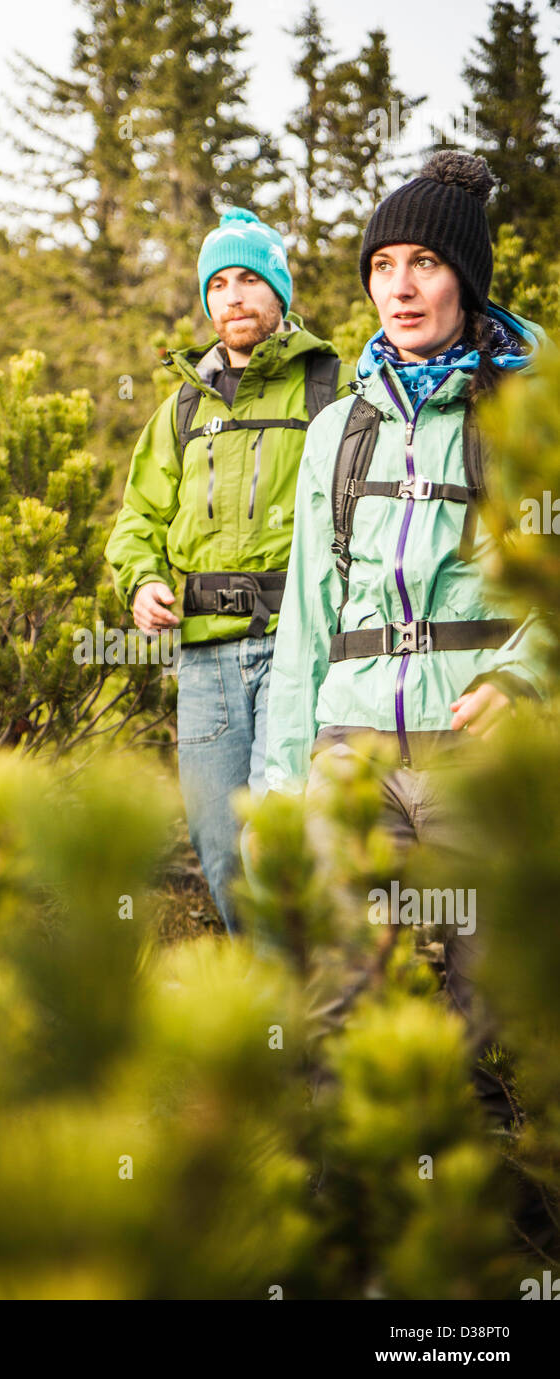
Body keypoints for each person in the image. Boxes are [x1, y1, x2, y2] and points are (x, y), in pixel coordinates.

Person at [255, 150, 552, 1119]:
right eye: (382, 266)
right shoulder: (337, 431)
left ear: (463, 279)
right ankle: (352, 1208)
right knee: (340, 989)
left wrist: (520, 682)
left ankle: (497, 1219)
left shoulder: (523, 419)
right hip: (347, 745)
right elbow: (305, 615)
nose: (399, 286)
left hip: (473, 748)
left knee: (495, 998)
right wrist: (276, 782)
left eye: (423, 262)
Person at [105, 207, 354, 936]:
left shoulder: (327, 390)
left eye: (250, 279)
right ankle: (263, 1007)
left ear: (278, 290)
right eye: (219, 284)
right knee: (218, 846)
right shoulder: (181, 408)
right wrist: (144, 580)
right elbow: (137, 519)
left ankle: (308, 1004)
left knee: (285, 834)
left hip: (295, 645)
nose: (233, 298)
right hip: (205, 655)